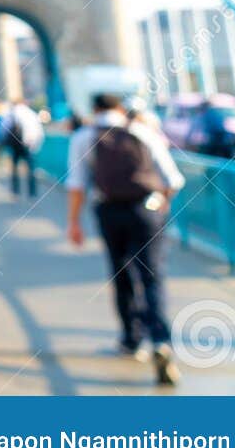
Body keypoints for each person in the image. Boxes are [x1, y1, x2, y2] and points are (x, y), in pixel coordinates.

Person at [66, 92, 187, 386]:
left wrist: (73, 223)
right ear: (119, 107)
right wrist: (159, 203)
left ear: (94, 109)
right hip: (146, 211)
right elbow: (173, 180)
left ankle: (131, 341)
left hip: (109, 210)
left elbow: (77, 184)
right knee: (152, 276)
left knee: (121, 273)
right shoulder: (142, 132)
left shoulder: (84, 137)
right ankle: (160, 340)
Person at [4, 98, 45, 198]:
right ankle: (32, 193)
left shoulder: (12, 113)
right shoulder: (32, 114)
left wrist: (5, 142)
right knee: (31, 169)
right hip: (29, 145)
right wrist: (35, 146)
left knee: (14, 168)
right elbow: (40, 132)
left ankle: (15, 191)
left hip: (15, 145)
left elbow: (4, 128)